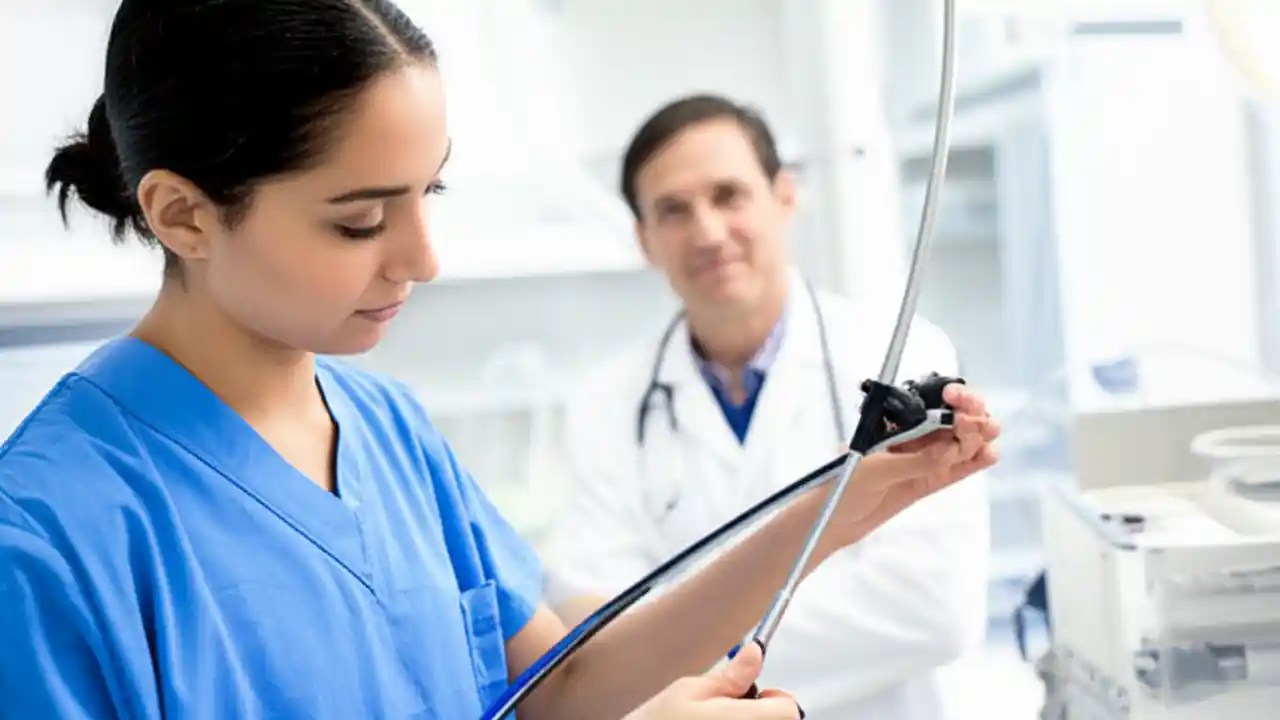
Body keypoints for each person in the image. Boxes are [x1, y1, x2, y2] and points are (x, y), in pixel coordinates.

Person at [0, 3, 998, 719]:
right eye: (358, 221)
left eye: (428, 195)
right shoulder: (48, 540)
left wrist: (837, 513)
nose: (422, 259)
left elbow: (558, 686)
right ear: (183, 214)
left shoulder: (383, 426)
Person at [543, 94, 996, 719]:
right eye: (673, 211)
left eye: (728, 195)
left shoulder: (902, 356)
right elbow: (589, 620)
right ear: (644, 240)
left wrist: (669, 646)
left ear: (785, 196)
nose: (707, 232)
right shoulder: (604, 404)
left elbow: (933, 608)